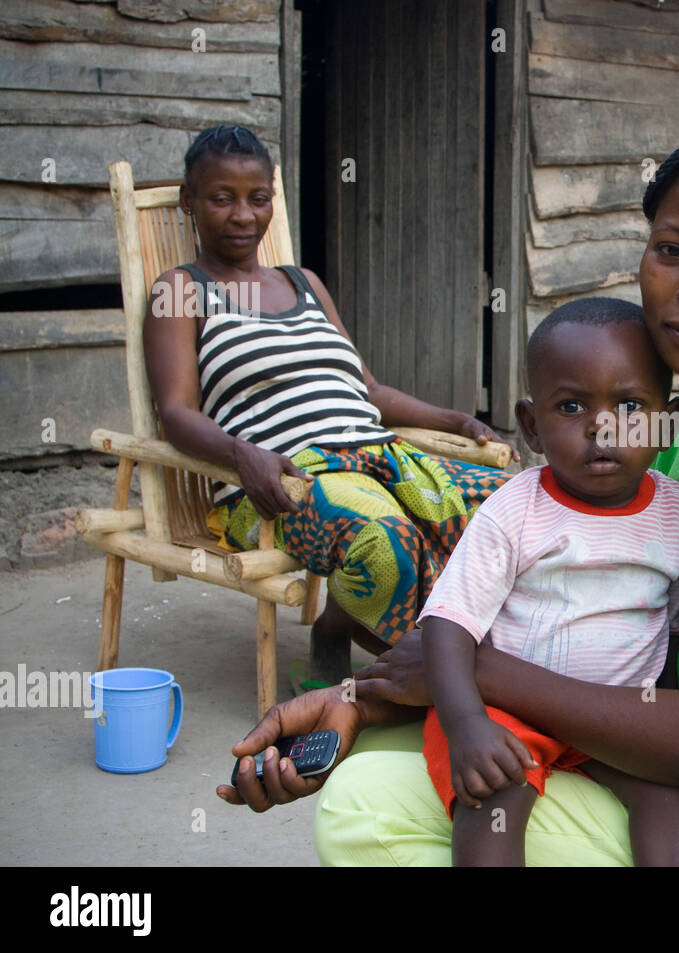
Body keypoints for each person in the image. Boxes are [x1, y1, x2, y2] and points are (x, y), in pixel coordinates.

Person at [219, 119, 679, 867]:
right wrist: (360, 704)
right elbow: (578, 634)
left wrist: (473, 672)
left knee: (367, 809)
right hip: (678, 750)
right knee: (418, 751)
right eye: (672, 251)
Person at [145, 125, 516, 683]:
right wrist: (243, 455)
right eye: (222, 198)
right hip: (283, 480)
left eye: (258, 198)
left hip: (383, 458)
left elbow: (366, 388)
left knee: (515, 508)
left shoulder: (305, 283)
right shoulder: (181, 291)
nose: (243, 215)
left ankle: (495, 655)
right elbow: (174, 413)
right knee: (383, 541)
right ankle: (335, 631)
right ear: (189, 201)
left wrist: (456, 419)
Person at [421, 297, 679, 866]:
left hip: (618, 715)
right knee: (492, 793)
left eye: (630, 406)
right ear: (531, 425)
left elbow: (675, 630)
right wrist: (466, 725)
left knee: (675, 796)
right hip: (511, 715)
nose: (602, 429)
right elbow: (447, 623)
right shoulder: (514, 511)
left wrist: (664, 727)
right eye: (572, 406)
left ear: (670, 421)